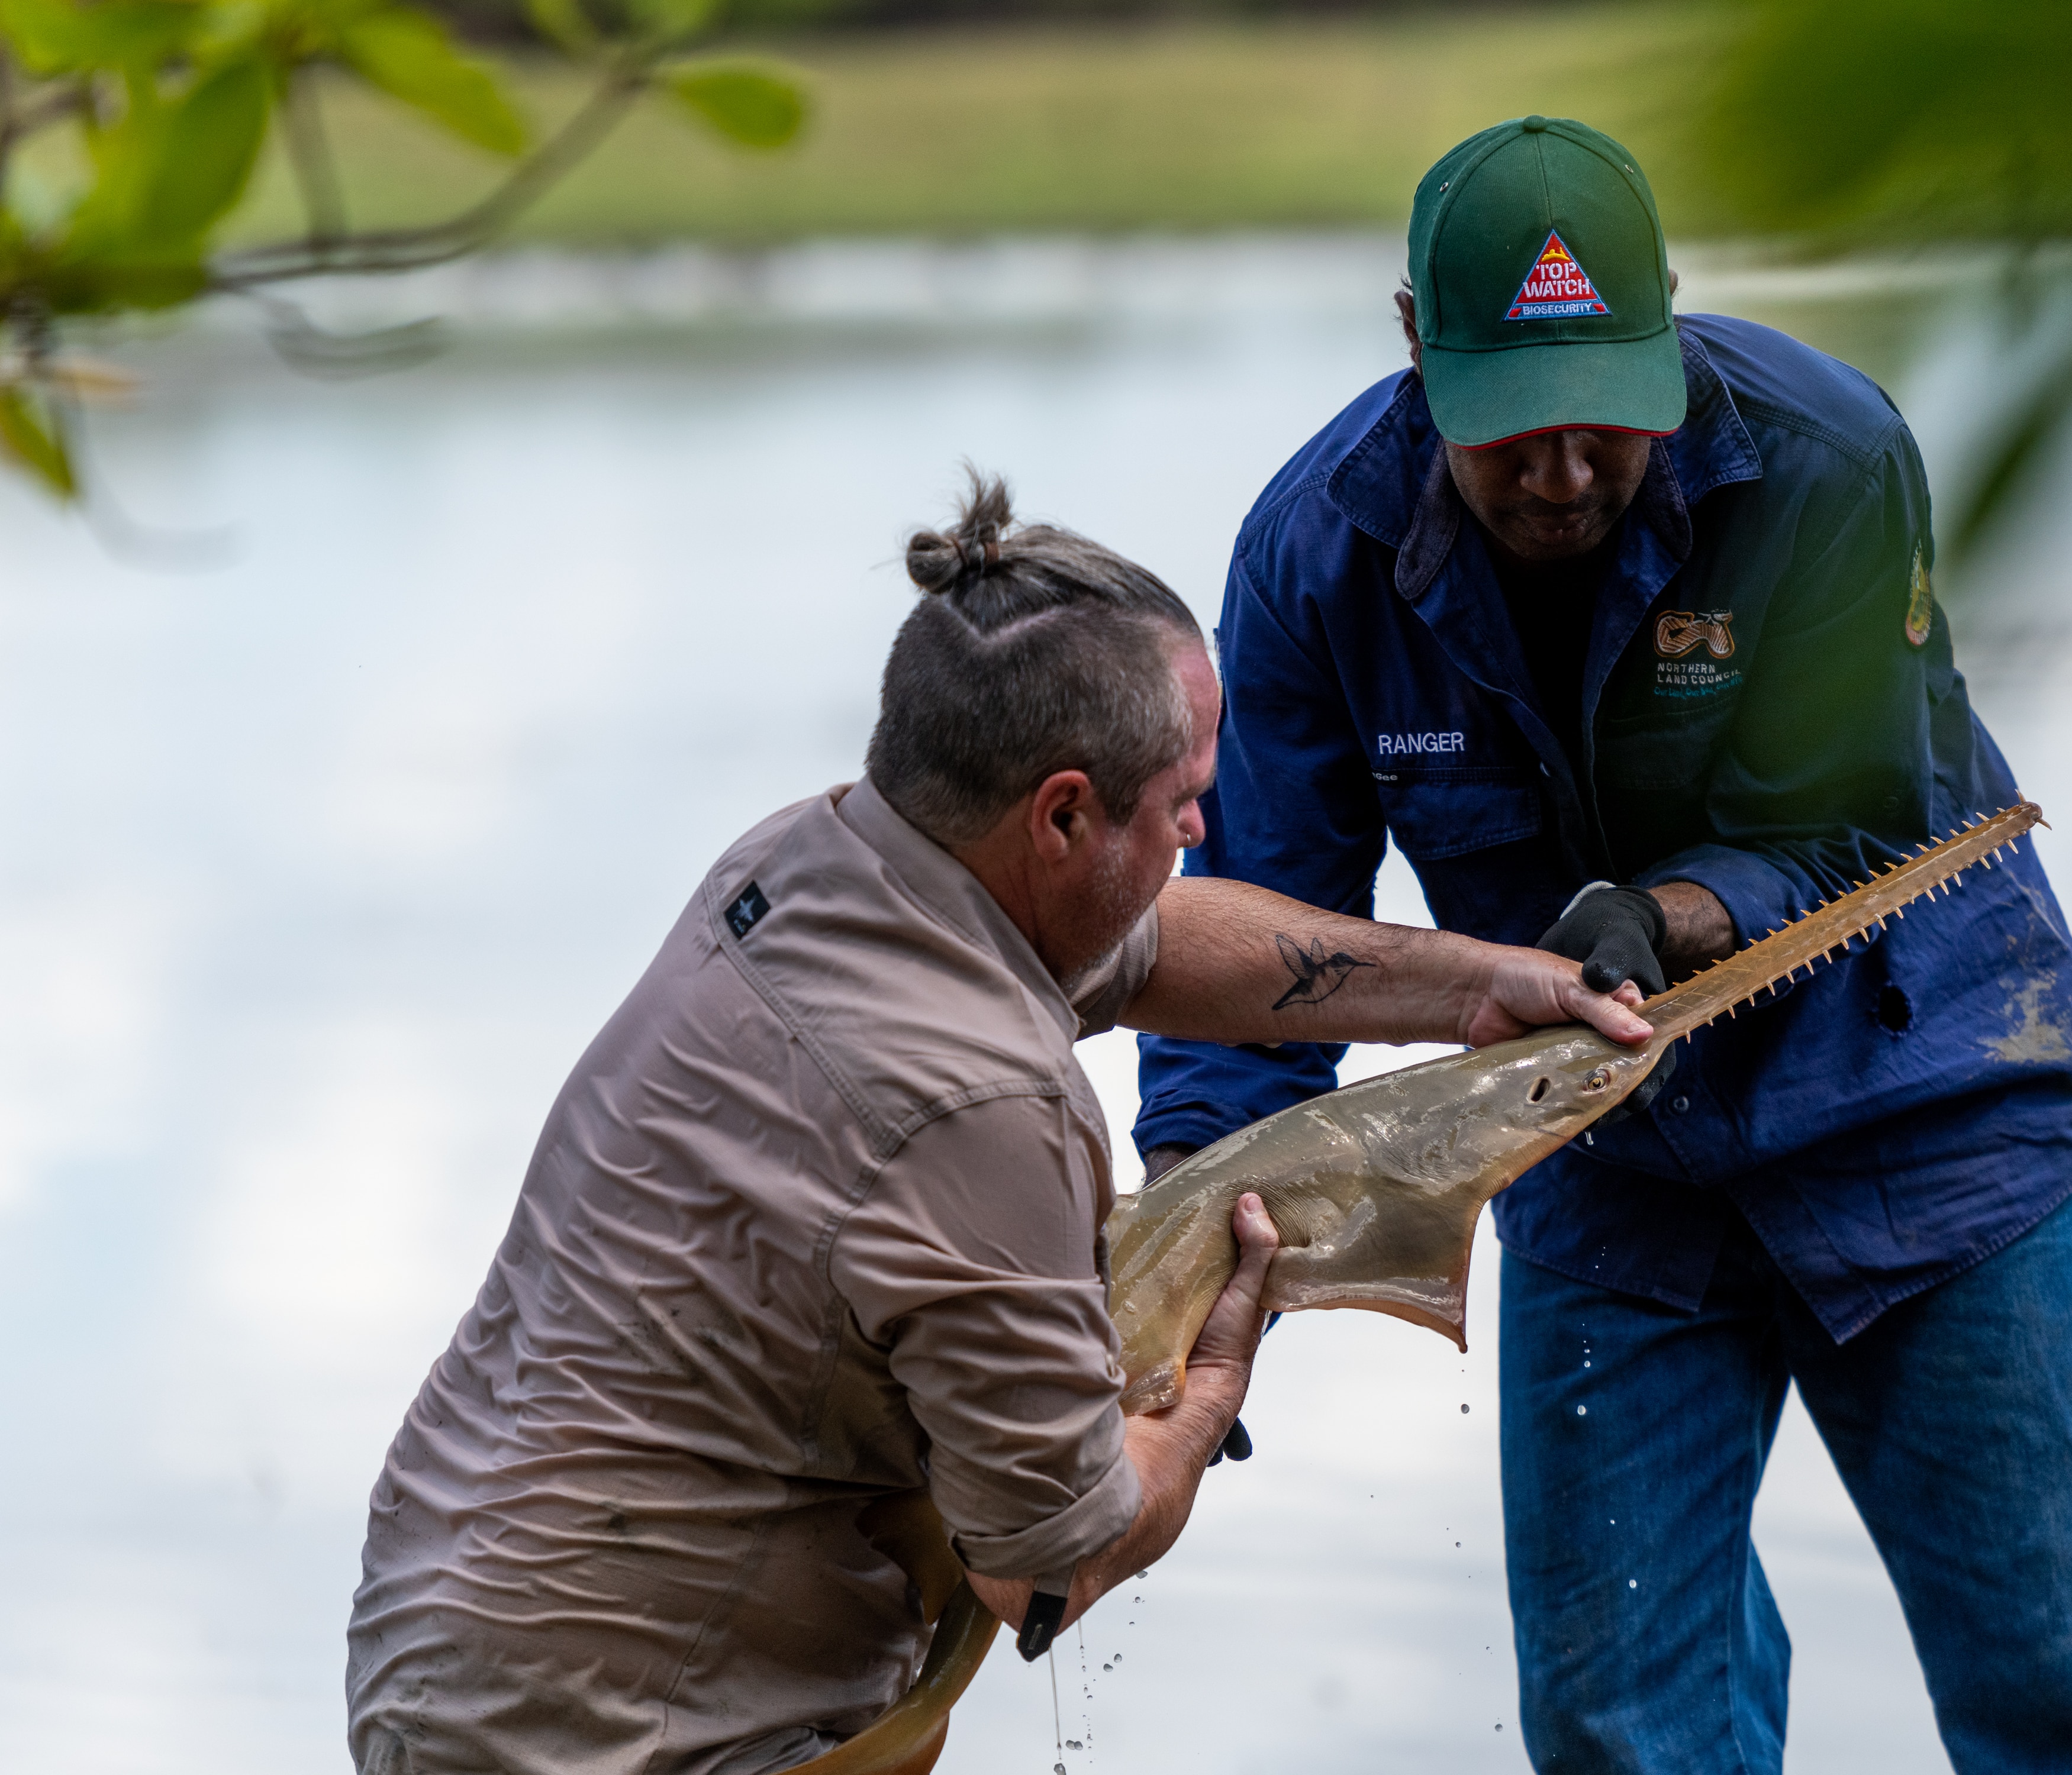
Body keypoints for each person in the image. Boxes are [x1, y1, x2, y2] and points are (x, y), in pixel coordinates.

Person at [1134, 117, 2072, 1773]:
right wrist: (1200, 1248)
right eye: (1512, 436)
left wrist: (1663, 915)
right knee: (1617, 1732)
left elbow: (1873, 817)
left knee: (2070, 1698)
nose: (1563, 475)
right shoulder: (1313, 555)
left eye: (1602, 427)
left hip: (1937, 1115)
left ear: (1666, 333)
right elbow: (1254, 937)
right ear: (1420, 351)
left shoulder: (1826, 454)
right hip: (1596, 1160)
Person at [344, 473, 1651, 1775]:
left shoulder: (803, 863)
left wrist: (1479, 982)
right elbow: (1050, 1561)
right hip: (624, 1731)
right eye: (1183, 801)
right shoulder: (983, 1111)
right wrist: (1208, 1383)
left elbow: (1148, 949)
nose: (1206, 829)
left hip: (431, 1638)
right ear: (1065, 813)